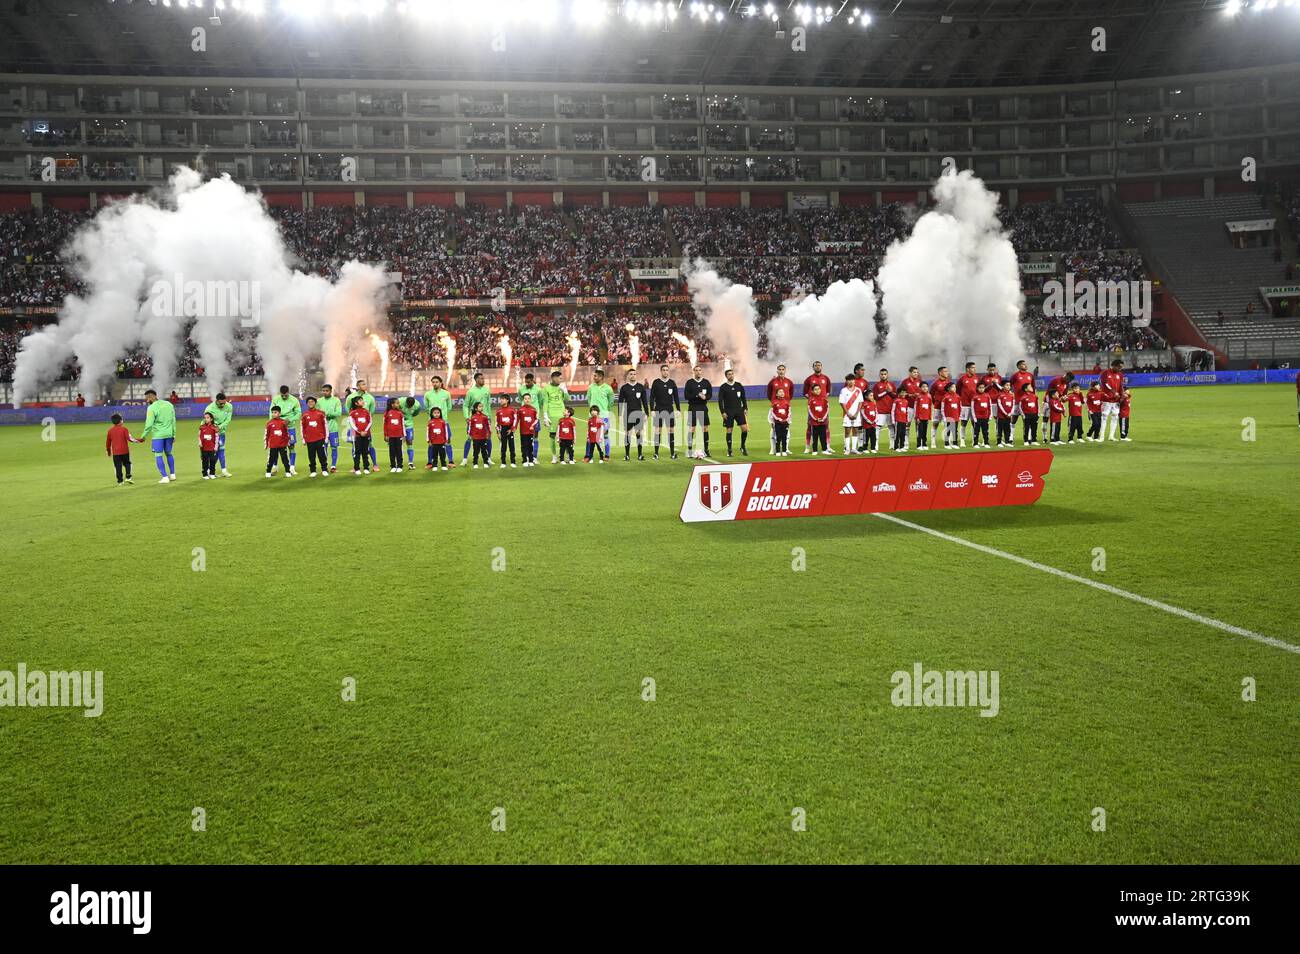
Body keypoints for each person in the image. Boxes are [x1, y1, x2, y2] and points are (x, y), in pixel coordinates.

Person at [138, 388, 178, 483]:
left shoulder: (151, 408)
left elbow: (149, 424)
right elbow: (173, 420)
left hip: (158, 435)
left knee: (158, 455)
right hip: (169, 434)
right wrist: (174, 434)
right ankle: (172, 475)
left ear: (152, 397)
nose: (146, 401)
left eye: (147, 398)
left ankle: (165, 477)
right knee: (169, 453)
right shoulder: (169, 404)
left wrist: (143, 436)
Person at [421, 376, 455, 468]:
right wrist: (433, 418)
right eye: (433, 382)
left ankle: (451, 461)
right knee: (431, 442)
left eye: (436, 382)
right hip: (432, 423)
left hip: (444, 422)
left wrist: (442, 416)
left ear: (440, 383)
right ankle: (430, 462)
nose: (435, 383)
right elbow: (426, 408)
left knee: (447, 440)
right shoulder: (427, 394)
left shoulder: (446, 394)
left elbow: (449, 407)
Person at [618, 368, 650, 461]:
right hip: (628, 414)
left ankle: (640, 455)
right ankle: (627, 455)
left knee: (639, 434)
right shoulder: (624, 388)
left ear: (636, 375)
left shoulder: (640, 387)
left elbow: (644, 401)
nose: (632, 375)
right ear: (628, 376)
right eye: (631, 374)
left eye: (634, 374)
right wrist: (620, 415)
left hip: (639, 414)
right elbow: (620, 402)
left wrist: (647, 413)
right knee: (627, 434)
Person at [650, 364, 680, 460]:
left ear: (668, 371)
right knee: (657, 430)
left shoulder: (672, 383)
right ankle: (656, 453)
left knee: (671, 430)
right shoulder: (656, 382)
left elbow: (676, 397)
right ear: (661, 371)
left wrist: (678, 409)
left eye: (667, 370)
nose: (665, 371)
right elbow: (651, 397)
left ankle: (672, 453)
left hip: (669, 409)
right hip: (658, 408)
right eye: (663, 370)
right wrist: (652, 409)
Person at [270, 385, 301, 475]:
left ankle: (292, 467)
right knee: (275, 447)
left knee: (291, 446)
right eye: (282, 395)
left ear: (288, 392)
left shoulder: (294, 400)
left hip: (290, 427)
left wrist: (290, 420)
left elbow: (298, 413)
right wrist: (272, 423)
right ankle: (275, 467)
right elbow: (271, 412)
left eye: (285, 395)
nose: (284, 397)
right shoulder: (276, 399)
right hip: (278, 428)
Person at [802, 360, 832, 453]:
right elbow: (805, 393)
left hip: (823, 406)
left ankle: (827, 446)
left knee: (826, 425)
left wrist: (823, 399)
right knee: (810, 426)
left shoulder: (826, 378)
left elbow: (828, 391)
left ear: (821, 367)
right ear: (813, 367)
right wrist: (812, 399)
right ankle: (807, 447)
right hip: (813, 407)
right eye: (816, 365)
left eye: (819, 365)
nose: (818, 367)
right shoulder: (809, 379)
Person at [463, 373, 494, 463]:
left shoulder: (487, 390)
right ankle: (465, 459)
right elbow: (466, 405)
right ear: (476, 380)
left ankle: (488, 458)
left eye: (483, 378)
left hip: (485, 418)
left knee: (488, 437)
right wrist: (467, 417)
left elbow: (488, 404)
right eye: (481, 379)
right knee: (470, 437)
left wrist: (489, 416)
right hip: (474, 419)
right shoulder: (471, 392)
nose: (483, 380)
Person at [718, 367, 749, 457]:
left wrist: (745, 408)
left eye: (732, 374)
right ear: (726, 376)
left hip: (739, 410)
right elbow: (720, 401)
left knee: (745, 429)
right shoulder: (723, 387)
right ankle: (729, 449)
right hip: (728, 411)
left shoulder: (739, 385)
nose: (731, 375)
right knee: (729, 430)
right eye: (729, 374)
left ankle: (742, 446)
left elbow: (743, 398)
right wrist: (722, 412)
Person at [584, 368, 614, 461]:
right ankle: (587, 456)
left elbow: (611, 401)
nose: (594, 377)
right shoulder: (591, 387)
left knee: (605, 435)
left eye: (595, 376)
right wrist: (593, 411)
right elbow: (588, 399)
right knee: (589, 435)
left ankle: (607, 455)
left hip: (604, 416)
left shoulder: (608, 388)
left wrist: (605, 410)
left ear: (601, 377)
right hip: (592, 416)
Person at [202, 391, 233, 477]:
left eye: (224, 403)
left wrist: (220, 427)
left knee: (221, 450)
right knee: (212, 453)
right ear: (216, 401)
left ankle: (224, 470)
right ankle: (208, 470)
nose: (223, 405)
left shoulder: (229, 406)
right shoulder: (209, 408)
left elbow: (228, 420)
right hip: (211, 433)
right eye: (221, 403)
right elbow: (205, 421)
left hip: (221, 432)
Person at [684, 365, 712, 456]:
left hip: (703, 407)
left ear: (701, 371)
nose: (698, 372)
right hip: (693, 407)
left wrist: (706, 397)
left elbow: (710, 394)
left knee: (705, 428)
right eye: (696, 370)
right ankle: (689, 450)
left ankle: (706, 450)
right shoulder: (689, 382)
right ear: (694, 372)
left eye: (700, 370)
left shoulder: (706, 382)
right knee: (692, 428)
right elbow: (686, 396)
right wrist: (697, 395)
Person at [105, 412, 141, 485]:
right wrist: (140, 440)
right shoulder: (124, 429)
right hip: (125, 451)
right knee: (127, 463)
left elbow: (108, 443)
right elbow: (130, 439)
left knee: (118, 466)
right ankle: (128, 477)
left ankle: (120, 481)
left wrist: (109, 451)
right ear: (121, 420)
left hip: (116, 453)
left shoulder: (110, 431)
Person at [317, 383, 344, 473]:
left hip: (333, 429)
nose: (325, 392)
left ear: (331, 391)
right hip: (322, 430)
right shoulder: (319, 401)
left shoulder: (336, 400)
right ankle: (324, 465)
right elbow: (317, 414)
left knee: (334, 447)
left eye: (327, 391)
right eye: (323, 391)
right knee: (323, 448)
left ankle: (333, 465)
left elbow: (339, 413)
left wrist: (327, 414)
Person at [767, 363, 794, 452]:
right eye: (779, 369)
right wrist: (774, 402)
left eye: (783, 369)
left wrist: (786, 403)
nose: (781, 371)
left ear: (785, 371)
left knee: (786, 427)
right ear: (777, 371)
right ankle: (773, 449)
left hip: (786, 408)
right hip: (775, 408)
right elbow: (769, 393)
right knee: (773, 427)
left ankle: (786, 449)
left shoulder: (789, 382)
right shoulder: (773, 381)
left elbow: (791, 394)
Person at [301, 396, 330, 477]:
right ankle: (313, 470)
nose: (311, 403)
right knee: (311, 456)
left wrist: (326, 437)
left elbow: (325, 425)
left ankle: (324, 469)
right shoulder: (304, 414)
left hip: (320, 438)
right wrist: (303, 438)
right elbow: (302, 427)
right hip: (310, 439)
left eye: (312, 401)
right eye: (309, 402)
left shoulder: (321, 413)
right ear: (307, 404)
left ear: (315, 403)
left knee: (322, 455)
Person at [517, 372, 543, 461]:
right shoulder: (521, 389)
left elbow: (540, 401)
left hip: (535, 417)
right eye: (526, 382)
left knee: (535, 437)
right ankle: (526, 456)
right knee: (525, 437)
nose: (527, 384)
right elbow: (521, 399)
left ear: (533, 381)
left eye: (528, 382)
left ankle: (534, 456)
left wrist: (536, 411)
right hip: (524, 417)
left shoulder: (538, 390)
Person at [354, 380, 379, 470]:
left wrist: (366, 423)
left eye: (365, 384)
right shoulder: (352, 397)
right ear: (358, 386)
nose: (365, 385)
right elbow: (349, 409)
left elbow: (371, 412)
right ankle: (356, 466)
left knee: (370, 444)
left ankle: (375, 464)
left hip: (366, 427)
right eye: (362, 384)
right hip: (356, 427)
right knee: (355, 445)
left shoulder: (370, 398)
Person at [1099, 359, 1125, 441]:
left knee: (1115, 417)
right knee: (1104, 417)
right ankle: (1101, 437)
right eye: (1119, 367)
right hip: (1106, 399)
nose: (1120, 369)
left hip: (1116, 400)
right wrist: (1114, 392)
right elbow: (1105, 384)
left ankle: (1111, 436)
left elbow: (1121, 386)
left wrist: (1122, 395)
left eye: (1121, 367)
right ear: (1114, 365)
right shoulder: (1105, 373)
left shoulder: (1120, 375)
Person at [837, 373, 862, 454]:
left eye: (852, 380)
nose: (850, 381)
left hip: (856, 415)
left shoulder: (858, 390)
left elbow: (860, 403)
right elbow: (842, 403)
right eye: (848, 380)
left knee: (855, 431)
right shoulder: (843, 390)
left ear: (854, 381)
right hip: (847, 415)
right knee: (847, 431)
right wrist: (847, 413)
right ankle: (847, 449)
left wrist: (856, 414)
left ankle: (854, 449)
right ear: (846, 381)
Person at [956, 361, 980, 447]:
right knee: (963, 423)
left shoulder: (977, 378)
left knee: (975, 423)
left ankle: (975, 440)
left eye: (974, 367)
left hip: (975, 406)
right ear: (968, 369)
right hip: (965, 405)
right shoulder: (962, 379)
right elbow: (957, 390)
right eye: (973, 367)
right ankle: (962, 440)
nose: (974, 369)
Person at [265, 406, 292, 479]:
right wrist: (266, 444)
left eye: (275, 412)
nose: (274, 414)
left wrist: (288, 442)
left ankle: (287, 472)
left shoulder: (283, 422)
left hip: (282, 445)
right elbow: (266, 434)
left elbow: (286, 433)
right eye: (273, 412)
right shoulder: (269, 423)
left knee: (285, 459)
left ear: (279, 413)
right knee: (271, 459)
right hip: (273, 445)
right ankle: (268, 472)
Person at [349, 395, 373, 475]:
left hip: (366, 435)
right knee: (357, 452)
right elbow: (352, 424)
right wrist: (359, 432)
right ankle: (357, 468)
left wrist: (365, 431)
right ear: (356, 403)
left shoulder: (366, 411)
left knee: (365, 452)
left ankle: (366, 468)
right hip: (357, 436)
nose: (362, 401)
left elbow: (370, 422)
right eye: (360, 400)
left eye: (362, 400)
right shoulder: (352, 413)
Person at [383, 398, 406, 473]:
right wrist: (385, 435)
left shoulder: (400, 413)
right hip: (390, 436)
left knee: (399, 451)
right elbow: (385, 425)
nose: (398, 404)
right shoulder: (387, 413)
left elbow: (403, 425)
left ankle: (399, 466)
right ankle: (393, 466)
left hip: (399, 435)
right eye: (397, 403)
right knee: (392, 451)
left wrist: (404, 435)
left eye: (398, 403)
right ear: (392, 404)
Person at [495, 393, 518, 469]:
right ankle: (503, 462)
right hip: (502, 429)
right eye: (500, 399)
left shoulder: (512, 410)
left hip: (510, 429)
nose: (501, 400)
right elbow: (497, 422)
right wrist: (498, 432)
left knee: (512, 446)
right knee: (503, 447)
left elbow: (515, 420)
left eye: (503, 399)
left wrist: (512, 429)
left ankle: (513, 462)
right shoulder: (498, 411)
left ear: (507, 400)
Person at [467, 401, 492, 469]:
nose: (481, 408)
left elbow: (488, 425)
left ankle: (486, 463)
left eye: (482, 406)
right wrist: (470, 434)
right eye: (479, 406)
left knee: (484, 450)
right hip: (476, 437)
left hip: (483, 437)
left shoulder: (484, 417)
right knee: (476, 451)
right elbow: (470, 427)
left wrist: (489, 433)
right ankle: (475, 463)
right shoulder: (473, 417)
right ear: (476, 408)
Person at [807, 382, 830, 454]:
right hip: (814, 422)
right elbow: (810, 411)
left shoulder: (824, 399)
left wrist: (823, 417)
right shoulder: (811, 400)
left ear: (820, 390)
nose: (817, 390)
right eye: (815, 389)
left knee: (823, 436)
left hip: (823, 421)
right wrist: (816, 418)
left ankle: (824, 449)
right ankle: (815, 450)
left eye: (818, 389)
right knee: (815, 437)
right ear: (812, 391)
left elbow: (827, 409)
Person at [517, 394, 540, 466]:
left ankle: (530, 460)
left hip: (530, 431)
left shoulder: (533, 410)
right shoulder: (520, 410)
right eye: (525, 399)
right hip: (523, 431)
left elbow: (536, 420)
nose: (527, 400)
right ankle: (524, 460)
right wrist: (514, 428)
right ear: (523, 400)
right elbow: (517, 420)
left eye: (528, 398)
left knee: (530, 445)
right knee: (524, 446)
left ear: (530, 400)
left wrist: (532, 426)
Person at [400, 395, 422, 470]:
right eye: (408, 405)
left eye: (410, 406)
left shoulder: (417, 405)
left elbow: (416, 413)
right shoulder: (400, 401)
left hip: (409, 425)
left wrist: (409, 417)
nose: (409, 407)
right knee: (399, 443)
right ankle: (400, 462)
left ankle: (410, 463)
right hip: (399, 425)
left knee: (409, 442)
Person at [426, 407, 450, 471]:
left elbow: (446, 431)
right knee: (434, 455)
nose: (437, 414)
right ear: (432, 414)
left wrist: (446, 439)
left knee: (442, 454)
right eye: (435, 413)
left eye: (438, 413)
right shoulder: (430, 422)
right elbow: (428, 432)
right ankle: (434, 465)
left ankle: (443, 465)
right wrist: (428, 441)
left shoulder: (442, 422)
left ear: (440, 413)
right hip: (433, 442)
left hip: (442, 441)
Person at [770, 386, 792, 455]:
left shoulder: (787, 402)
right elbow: (773, 412)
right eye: (780, 392)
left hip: (785, 422)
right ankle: (778, 451)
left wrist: (787, 419)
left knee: (784, 437)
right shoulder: (774, 402)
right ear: (776, 394)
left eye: (782, 392)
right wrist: (777, 419)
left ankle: (784, 451)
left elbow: (789, 412)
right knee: (778, 437)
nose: (782, 393)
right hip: (778, 423)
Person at [198, 412, 221, 479]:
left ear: (211, 419)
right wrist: (200, 442)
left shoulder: (215, 427)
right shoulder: (201, 427)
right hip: (204, 447)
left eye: (207, 418)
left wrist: (216, 446)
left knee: (212, 461)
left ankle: (212, 474)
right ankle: (205, 474)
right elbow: (199, 436)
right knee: (204, 461)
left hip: (212, 447)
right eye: (205, 418)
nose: (206, 419)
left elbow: (217, 437)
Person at [971, 382, 993, 449]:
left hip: (985, 417)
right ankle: (975, 443)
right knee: (976, 431)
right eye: (980, 388)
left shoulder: (987, 396)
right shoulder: (974, 396)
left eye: (983, 388)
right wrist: (974, 417)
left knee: (985, 431)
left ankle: (986, 443)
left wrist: (990, 415)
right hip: (977, 417)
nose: (981, 389)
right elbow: (972, 408)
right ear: (977, 388)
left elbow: (990, 406)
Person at [994, 382, 1015, 448]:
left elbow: (1013, 405)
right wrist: (1005, 413)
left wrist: (1011, 413)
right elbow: (1000, 406)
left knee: (1007, 429)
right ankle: (999, 442)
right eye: (1006, 385)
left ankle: (1007, 441)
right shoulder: (1000, 395)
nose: (1008, 386)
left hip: (1009, 416)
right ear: (1003, 386)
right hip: (1001, 416)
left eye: (1009, 385)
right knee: (1000, 429)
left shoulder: (1011, 395)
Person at [941, 383, 961, 449]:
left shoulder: (958, 397)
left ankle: (955, 443)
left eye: (955, 387)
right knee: (948, 430)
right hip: (948, 417)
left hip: (956, 416)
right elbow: (942, 408)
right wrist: (944, 417)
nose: (954, 388)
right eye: (952, 387)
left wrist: (959, 415)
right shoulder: (945, 397)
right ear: (948, 388)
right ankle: (946, 444)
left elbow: (959, 407)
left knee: (955, 430)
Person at [860, 389, 878, 454]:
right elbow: (862, 413)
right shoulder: (863, 404)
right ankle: (865, 448)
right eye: (870, 396)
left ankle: (873, 448)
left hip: (873, 424)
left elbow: (876, 412)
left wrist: (875, 419)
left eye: (872, 395)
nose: (872, 397)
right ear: (866, 396)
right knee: (866, 437)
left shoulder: (874, 403)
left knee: (873, 436)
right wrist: (868, 420)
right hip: (866, 424)